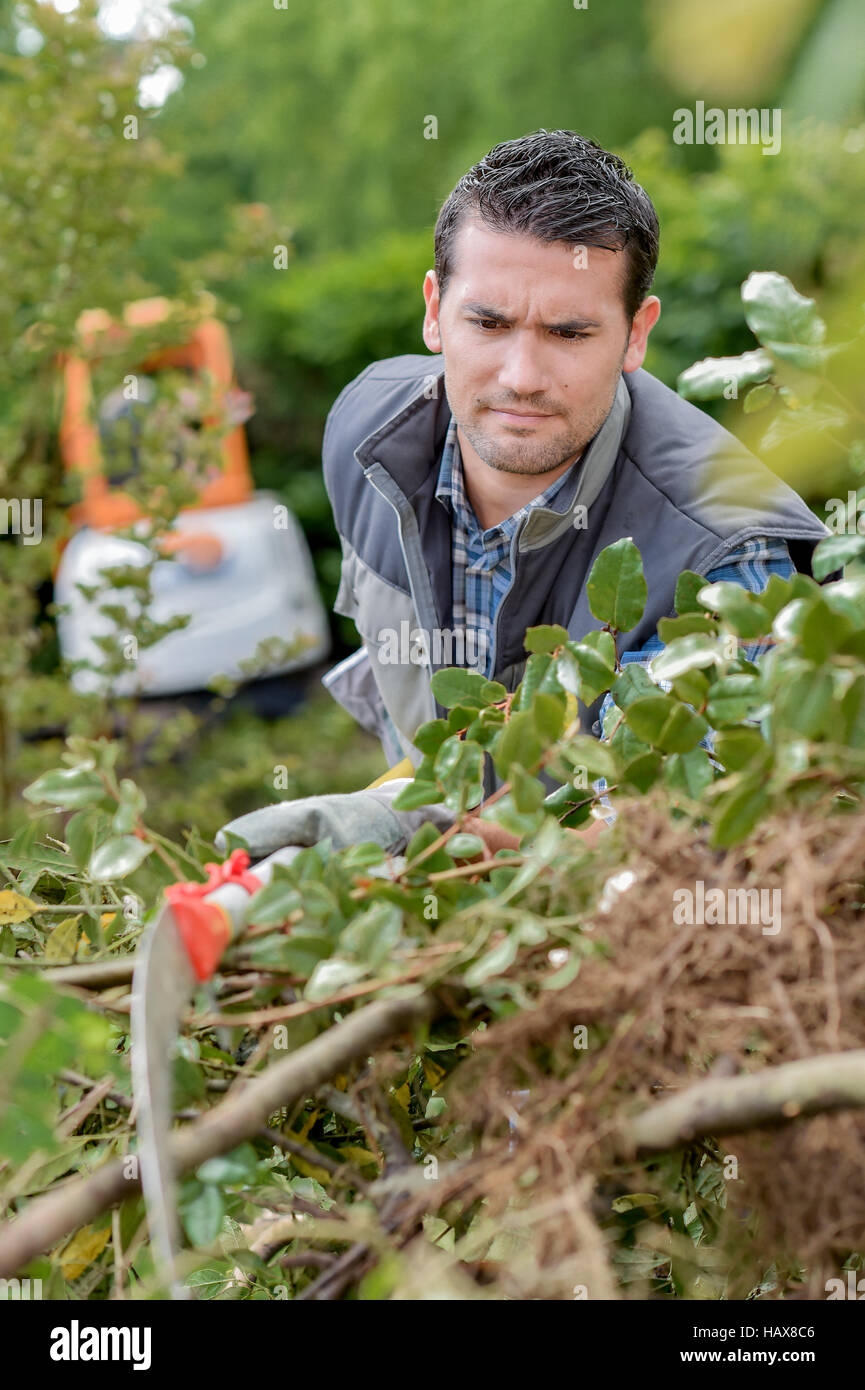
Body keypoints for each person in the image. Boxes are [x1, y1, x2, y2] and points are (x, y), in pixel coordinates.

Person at [216, 129, 828, 862]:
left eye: (568, 332)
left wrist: (420, 835)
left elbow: (675, 848)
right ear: (433, 308)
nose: (521, 376)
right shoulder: (362, 431)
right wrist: (410, 806)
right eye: (487, 322)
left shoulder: (727, 554)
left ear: (636, 334)